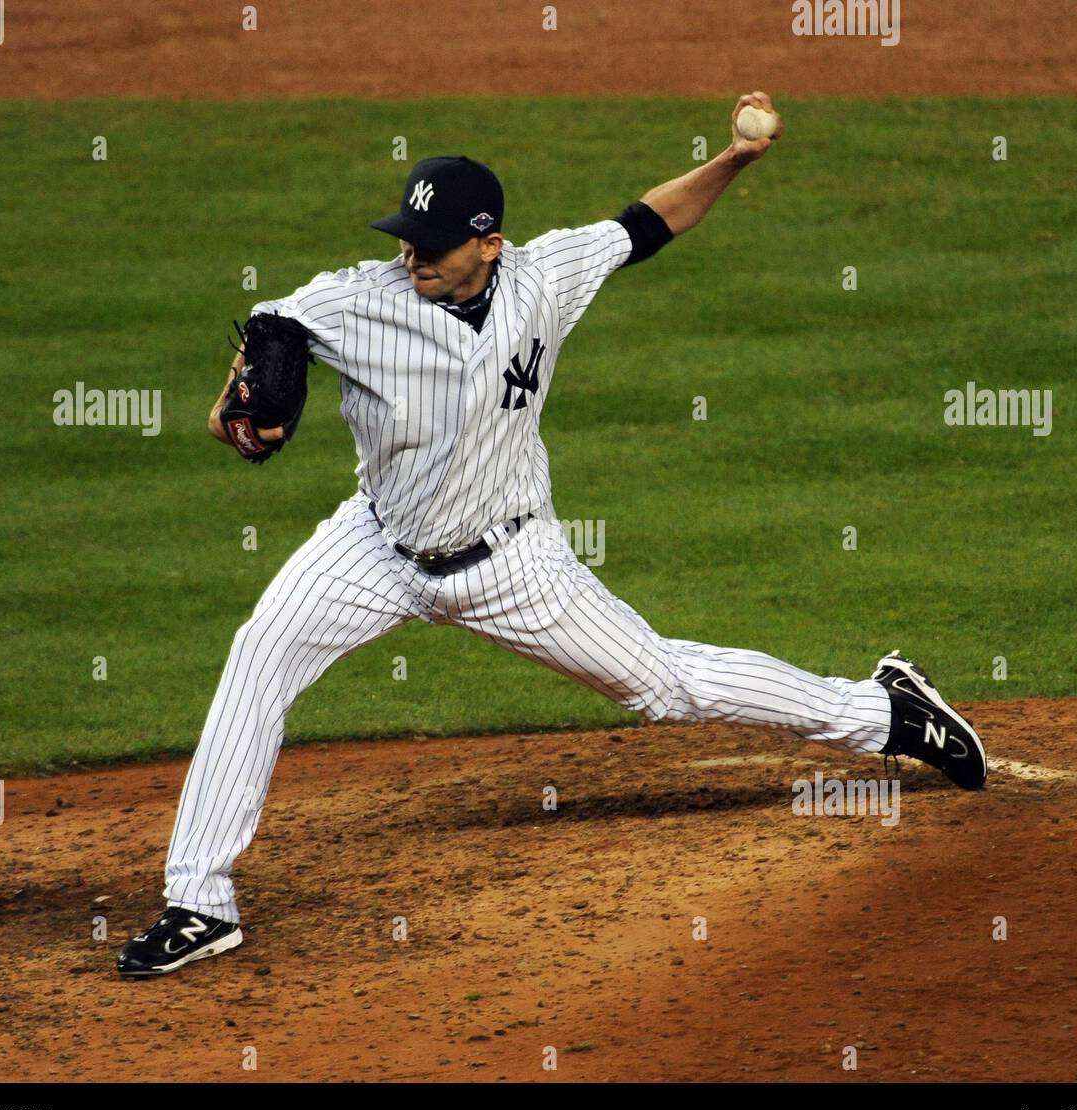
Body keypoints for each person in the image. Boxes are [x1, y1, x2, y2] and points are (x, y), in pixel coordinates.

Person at [117, 93, 984, 978]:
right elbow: (270, 328)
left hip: (514, 562)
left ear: (488, 245)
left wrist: (734, 160)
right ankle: (199, 901)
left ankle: (884, 710)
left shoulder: (546, 276)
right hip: (374, 549)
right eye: (404, 238)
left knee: (663, 685)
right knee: (259, 655)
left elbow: (648, 223)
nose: (410, 256)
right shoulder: (355, 301)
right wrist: (238, 404)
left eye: (433, 244)